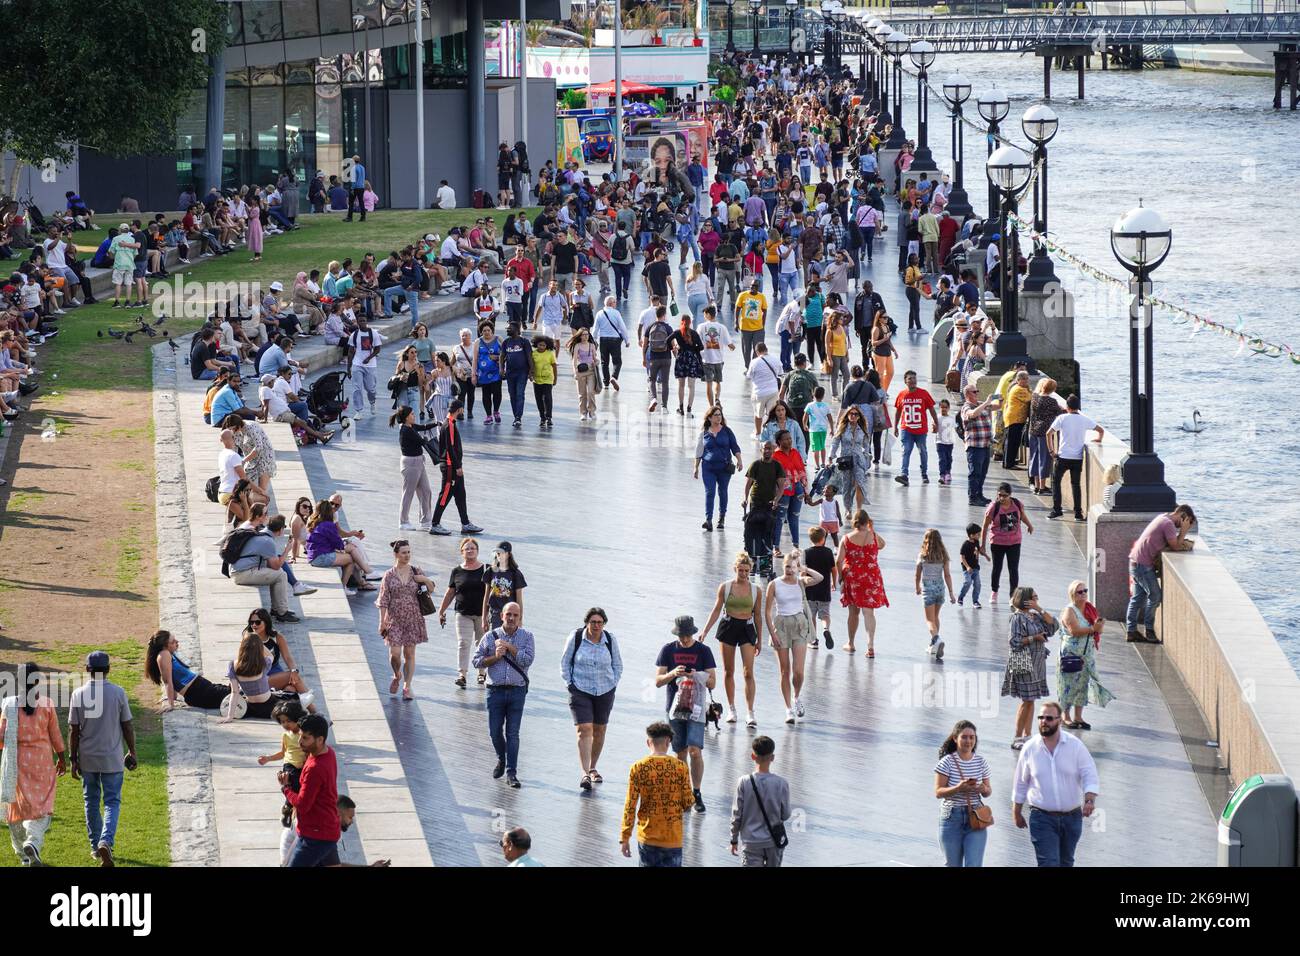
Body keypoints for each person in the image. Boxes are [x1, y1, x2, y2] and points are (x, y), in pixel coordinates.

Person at [68, 651, 137, 868]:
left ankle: (95, 846)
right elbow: (127, 725)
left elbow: (73, 730)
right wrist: (132, 751)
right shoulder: (118, 693)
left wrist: (73, 758)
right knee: (112, 802)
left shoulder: (78, 694)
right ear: (108, 669)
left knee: (90, 801)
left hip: (88, 757)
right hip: (112, 758)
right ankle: (106, 841)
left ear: (88, 670)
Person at [1012, 701, 1100, 867]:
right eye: (1041, 718)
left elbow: (1090, 774)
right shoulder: (1030, 748)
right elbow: (1021, 782)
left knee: (1066, 863)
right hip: (1041, 817)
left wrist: (1089, 800)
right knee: (1049, 863)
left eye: (1049, 718)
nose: (1044, 721)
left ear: (1059, 721)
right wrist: (1016, 812)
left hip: (1072, 818)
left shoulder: (1075, 746)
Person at [0, 664, 66, 867]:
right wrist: (62, 758)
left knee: (16, 808)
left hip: (16, 765)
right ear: (37, 681)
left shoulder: (9, 704)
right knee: (42, 806)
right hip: (42, 763)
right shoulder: (46, 704)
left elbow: (1, 736)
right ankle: (33, 842)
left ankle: (24, 853)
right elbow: (55, 734)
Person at [653, 615, 716, 814]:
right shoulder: (668, 649)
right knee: (679, 752)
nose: (685, 639)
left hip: (696, 708)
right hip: (674, 707)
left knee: (695, 750)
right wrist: (674, 673)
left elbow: (713, 682)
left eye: (688, 635)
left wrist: (695, 674)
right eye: (682, 636)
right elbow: (658, 680)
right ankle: (683, 791)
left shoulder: (704, 651)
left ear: (693, 633)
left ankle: (696, 791)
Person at [472, 602, 534, 788]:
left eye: (516, 615)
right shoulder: (490, 637)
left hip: (517, 691)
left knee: (513, 733)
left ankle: (511, 773)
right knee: (494, 732)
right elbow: (476, 662)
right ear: (502, 616)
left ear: (520, 617)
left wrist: (509, 647)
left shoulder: (527, 637)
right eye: (509, 614)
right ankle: (501, 757)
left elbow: (527, 660)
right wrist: (495, 658)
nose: (512, 618)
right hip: (495, 691)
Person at [561, 607, 623, 792]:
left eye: (600, 622)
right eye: (593, 622)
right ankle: (584, 773)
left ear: (604, 624)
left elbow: (618, 664)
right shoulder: (576, 637)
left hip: (605, 689)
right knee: (584, 729)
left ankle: (593, 766)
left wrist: (613, 683)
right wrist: (569, 684)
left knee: (600, 729)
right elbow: (565, 662)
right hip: (580, 688)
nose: (596, 626)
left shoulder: (610, 640)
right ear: (587, 623)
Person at [700, 552, 765, 727]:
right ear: (735, 569)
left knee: (748, 672)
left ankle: (750, 712)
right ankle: (731, 708)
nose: (743, 574)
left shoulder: (755, 590)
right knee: (729, 670)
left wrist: (760, 638)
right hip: (728, 626)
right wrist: (705, 631)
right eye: (740, 570)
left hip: (747, 628)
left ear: (750, 571)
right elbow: (716, 609)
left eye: (746, 571)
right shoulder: (725, 587)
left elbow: (758, 615)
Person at [619, 720, 697, 867]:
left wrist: (625, 838)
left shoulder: (638, 768)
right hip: (672, 838)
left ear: (649, 742)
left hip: (647, 837)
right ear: (668, 741)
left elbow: (630, 805)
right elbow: (687, 802)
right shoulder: (680, 767)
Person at [765, 551, 822, 724]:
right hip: (781, 625)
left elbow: (819, 578)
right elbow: (767, 611)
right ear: (783, 566)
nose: (790, 570)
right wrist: (772, 633)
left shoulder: (801, 582)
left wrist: (804, 568)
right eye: (787, 566)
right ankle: (788, 708)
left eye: (793, 567)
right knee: (785, 670)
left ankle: (796, 697)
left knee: (798, 672)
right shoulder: (774, 584)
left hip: (799, 624)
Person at [1125, 504, 1196, 644]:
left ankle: (1131, 631)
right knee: (1155, 596)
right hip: (1142, 565)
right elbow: (1175, 546)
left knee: (1138, 598)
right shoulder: (1168, 524)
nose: (1183, 525)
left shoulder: (1162, 517)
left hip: (1135, 561)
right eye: (1186, 521)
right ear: (1182, 516)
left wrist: (1182, 531)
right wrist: (1183, 532)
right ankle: (1149, 630)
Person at [378, 539, 436, 701]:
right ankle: (397, 674)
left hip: (413, 617)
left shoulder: (416, 571)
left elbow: (431, 589)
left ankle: (407, 686)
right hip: (394, 619)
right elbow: (383, 600)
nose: (407, 555)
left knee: (409, 653)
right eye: (403, 552)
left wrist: (423, 579)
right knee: (395, 654)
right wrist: (381, 621)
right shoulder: (389, 575)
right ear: (396, 554)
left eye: (409, 552)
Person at [281, 714, 341, 866]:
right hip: (327, 829)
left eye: (306, 738)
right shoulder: (329, 753)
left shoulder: (315, 768)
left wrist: (286, 788)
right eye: (300, 736)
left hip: (315, 836)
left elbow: (302, 805)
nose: (300, 742)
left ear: (320, 739)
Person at [1002, 587, 1057, 749]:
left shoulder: (1035, 616)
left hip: (1037, 662)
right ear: (1025, 599)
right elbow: (1014, 641)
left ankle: (1027, 735)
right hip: (1024, 662)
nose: (1036, 600)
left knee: (1031, 700)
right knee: (1026, 700)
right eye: (1033, 598)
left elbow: (1054, 626)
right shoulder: (1017, 618)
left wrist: (1039, 609)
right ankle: (1017, 737)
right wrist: (1035, 638)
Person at [934, 720, 993, 868]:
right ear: (955, 738)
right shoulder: (946, 762)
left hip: (976, 817)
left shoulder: (981, 762)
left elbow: (988, 791)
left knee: (974, 864)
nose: (968, 741)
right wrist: (958, 788)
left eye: (972, 737)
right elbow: (938, 792)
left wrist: (983, 789)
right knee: (953, 864)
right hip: (951, 818)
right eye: (964, 737)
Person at [1057, 580, 1115, 730]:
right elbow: (1074, 631)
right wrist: (1092, 628)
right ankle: (1065, 716)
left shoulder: (1090, 609)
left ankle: (1078, 717)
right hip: (1071, 654)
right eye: (1079, 592)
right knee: (1068, 684)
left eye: (1085, 591)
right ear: (1073, 594)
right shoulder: (1070, 610)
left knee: (1082, 684)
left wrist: (1099, 627)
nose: (1083, 594)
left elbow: (1097, 630)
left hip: (1086, 654)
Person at [728, 735, 792, 867]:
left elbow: (736, 815)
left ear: (753, 756)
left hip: (750, 842)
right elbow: (785, 815)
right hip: (773, 842)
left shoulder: (743, 782)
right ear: (772, 758)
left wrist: (733, 839)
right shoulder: (781, 783)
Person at [437, 537, 489, 687]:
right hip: (462, 612)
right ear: (462, 552)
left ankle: (481, 673)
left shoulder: (486, 569)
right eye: (467, 548)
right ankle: (462, 674)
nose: (470, 550)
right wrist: (441, 610)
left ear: (477, 551)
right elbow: (450, 592)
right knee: (463, 643)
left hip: (483, 614)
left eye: (473, 548)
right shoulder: (457, 571)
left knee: (482, 644)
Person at [837, 509, 888, 657]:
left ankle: (851, 643)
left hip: (853, 577)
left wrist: (841, 577)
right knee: (869, 612)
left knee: (853, 612)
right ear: (868, 521)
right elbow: (882, 545)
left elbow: (839, 560)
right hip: (871, 577)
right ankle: (870, 646)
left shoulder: (846, 538)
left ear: (854, 522)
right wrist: (871, 529)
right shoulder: (873, 536)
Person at [429, 400, 484, 536]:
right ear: (459, 410)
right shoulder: (450, 426)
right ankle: (435, 524)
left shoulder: (449, 423)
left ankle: (465, 523)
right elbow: (450, 448)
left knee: (460, 494)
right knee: (446, 494)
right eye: (462, 409)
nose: (463, 412)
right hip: (450, 467)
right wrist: (457, 466)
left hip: (452, 465)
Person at [1046, 394, 1105, 521]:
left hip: (1062, 456)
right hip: (1077, 458)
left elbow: (1048, 433)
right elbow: (1100, 430)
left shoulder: (1062, 418)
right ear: (1078, 407)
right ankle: (1078, 513)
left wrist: (1051, 451)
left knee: (1056, 482)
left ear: (1067, 406)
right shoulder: (1084, 419)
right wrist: (1099, 439)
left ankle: (1057, 510)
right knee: (1076, 484)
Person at [147, 630, 231, 712]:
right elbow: (168, 681)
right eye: (173, 641)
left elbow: (173, 677)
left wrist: (173, 697)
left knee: (231, 691)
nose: (177, 641)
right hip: (198, 692)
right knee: (232, 695)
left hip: (201, 688)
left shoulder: (168, 653)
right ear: (164, 646)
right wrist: (170, 704)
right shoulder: (164, 655)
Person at [981, 482, 1034, 605]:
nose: (1002, 498)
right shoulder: (993, 507)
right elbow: (984, 526)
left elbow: (1022, 516)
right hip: (998, 542)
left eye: (1004, 496)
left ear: (1010, 495)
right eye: (999, 495)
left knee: (1013, 569)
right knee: (997, 568)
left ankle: (1013, 596)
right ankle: (994, 591)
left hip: (1014, 542)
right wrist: (982, 545)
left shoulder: (1016, 504)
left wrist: (1029, 525)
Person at [694, 404, 744, 532]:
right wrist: (696, 467)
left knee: (722, 491)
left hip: (723, 467)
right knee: (709, 492)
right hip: (708, 467)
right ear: (709, 418)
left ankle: (721, 518)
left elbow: (734, 446)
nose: (718, 417)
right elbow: (699, 451)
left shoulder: (727, 431)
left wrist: (739, 460)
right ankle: (708, 520)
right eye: (715, 415)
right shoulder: (704, 433)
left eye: (720, 414)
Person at [390, 406, 437, 530]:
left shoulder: (410, 426)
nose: (414, 415)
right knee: (408, 493)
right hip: (410, 464)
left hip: (419, 462)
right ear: (406, 417)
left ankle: (426, 521)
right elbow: (422, 441)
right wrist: (428, 438)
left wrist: (436, 423)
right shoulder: (406, 430)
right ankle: (403, 522)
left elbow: (422, 427)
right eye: (412, 414)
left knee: (426, 491)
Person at [915, 529, 956, 661]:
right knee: (936, 617)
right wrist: (951, 593)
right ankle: (933, 645)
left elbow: (917, 574)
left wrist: (917, 587)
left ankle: (936, 639)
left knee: (929, 620)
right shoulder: (943, 555)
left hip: (928, 589)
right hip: (940, 589)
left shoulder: (922, 555)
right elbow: (947, 575)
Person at [892, 370, 939, 486]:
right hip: (906, 429)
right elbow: (898, 411)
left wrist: (936, 423)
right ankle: (904, 474)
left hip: (921, 430)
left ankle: (924, 473)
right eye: (910, 379)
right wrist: (896, 426)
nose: (913, 381)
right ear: (905, 381)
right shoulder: (901, 395)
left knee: (922, 451)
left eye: (914, 378)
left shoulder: (924, 393)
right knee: (906, 450)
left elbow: (932, 409)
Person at [828, 404, 872, 513]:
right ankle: (848, 509)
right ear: (847, 415)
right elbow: (835, 442)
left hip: (859, 460)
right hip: (845, 460)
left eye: (856, 414)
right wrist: (831, 456)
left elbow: (866, 445)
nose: (853, 416)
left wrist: (867, 457)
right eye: (851, 414)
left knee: (859, 483)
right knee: (847, 486)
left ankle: (858, 510)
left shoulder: (862, 429)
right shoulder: (842, 428)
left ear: (859, 417)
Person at [961, 384, 998, 506]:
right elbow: (972, 414)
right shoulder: (966, 407)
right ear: (967, 394)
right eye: (974, 392)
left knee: (982, 472)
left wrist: (1000, 399)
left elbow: (997, 406)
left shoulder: (981, 404)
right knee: (975, 473)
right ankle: (972, 497)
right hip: (974, 445)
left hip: (985, 444)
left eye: (977, 391)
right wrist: (986, 403)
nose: (977, 393)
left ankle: (979, 494)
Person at [345, 314, 384, 420]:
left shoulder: (373, 334)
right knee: (357, 388)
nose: (362, 323)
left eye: (364, 321)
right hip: (357, 364)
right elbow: (350, 352)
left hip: (370, 365)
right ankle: (359, 410)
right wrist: (348, 368)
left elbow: (377, 349)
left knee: (370, 388)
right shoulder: (354, 335)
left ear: (367, 321)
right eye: (360, 321)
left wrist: (369, 358)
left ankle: (372, 402)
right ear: (357, 322)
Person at [696, 304, 734, 408]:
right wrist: (731, 346)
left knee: (708, 383)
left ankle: (711, 406)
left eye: (704, 314)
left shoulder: (701, 327)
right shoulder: (722, 327)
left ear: (708, 314)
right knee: (717, 381)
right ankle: (717, 398)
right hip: (719, 359)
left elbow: (696, 341)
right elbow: (730, 344)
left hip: (706, 359)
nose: (704, 316)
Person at [746, 342, 783, 439]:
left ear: (757, 351)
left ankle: (758, 433)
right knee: (772, 414)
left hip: (759, 392)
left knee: (758, 414)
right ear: (766, 349)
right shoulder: (776, 360)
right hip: (773, 391)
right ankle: (772, 433)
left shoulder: (754, 362)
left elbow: (749, 376)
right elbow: (780, 373)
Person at [594, 295, 631, 389]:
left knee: (604, 362)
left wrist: (594, 341)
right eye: (614, 302)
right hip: (615, 340)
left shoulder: (599, 313)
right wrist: (627, 340)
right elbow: (623, 328)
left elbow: (595, 329)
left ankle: (606, 382)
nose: (616, 303)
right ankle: (614, 377)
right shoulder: (616, 313)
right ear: (611, 303)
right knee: (617, 361)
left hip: (603, 340)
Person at [734, 279, 768, 370]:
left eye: (755, 286)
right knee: (746, 349)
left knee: (757, 348)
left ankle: (753, 366)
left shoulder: (762, 297)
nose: (753, 288)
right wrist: (736, 322)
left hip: (758, 328)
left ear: (758, 288)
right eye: (752, 286)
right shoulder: (743, 295)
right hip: (745, 328)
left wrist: (763, 325)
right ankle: (747, 366)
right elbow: (737, 309)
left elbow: (764, 310)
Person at [957, 523, 986, 608]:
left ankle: (975, 601)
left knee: (977, 584)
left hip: (976, 568)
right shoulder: (965, 544)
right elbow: (962, 557)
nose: (979, 536)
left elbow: (978, 550)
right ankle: (961, 597)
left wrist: (985, 555)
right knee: (968, 582)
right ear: (971, 535)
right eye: (978, 534)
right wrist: (967, 567)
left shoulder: (976, 541)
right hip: (967, 569)